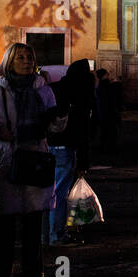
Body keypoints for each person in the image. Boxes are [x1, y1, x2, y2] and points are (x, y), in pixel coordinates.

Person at [0, 42, 66, 277]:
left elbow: (55, 127)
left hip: (35, 156)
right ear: (9, 61)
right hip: (6, 158)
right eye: (21, 58)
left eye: (29, 57)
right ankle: (2, 273)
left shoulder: (43, 90)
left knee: (33, 222)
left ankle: (34, 272)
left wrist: (59, 117)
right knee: (5, 223)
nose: (26, 61)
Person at [47, 58, 95, 246]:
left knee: (45, 194)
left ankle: (46, 234)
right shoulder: (81, 95)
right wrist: (83, 162)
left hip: (46, 146)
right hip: (66, 148)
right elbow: (82, 132)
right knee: (59, 193)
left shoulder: (55, 89)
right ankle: (57, 235)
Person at [95, 67, 120, 154]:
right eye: (107, 74)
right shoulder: (106, 85)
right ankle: (109, 149)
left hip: (102, 112)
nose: (108, 75)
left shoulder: (99, 85)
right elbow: (112, 97)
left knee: (104, 131)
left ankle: (104, 147)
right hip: (108, 112)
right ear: (104, 75)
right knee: (111, 131)